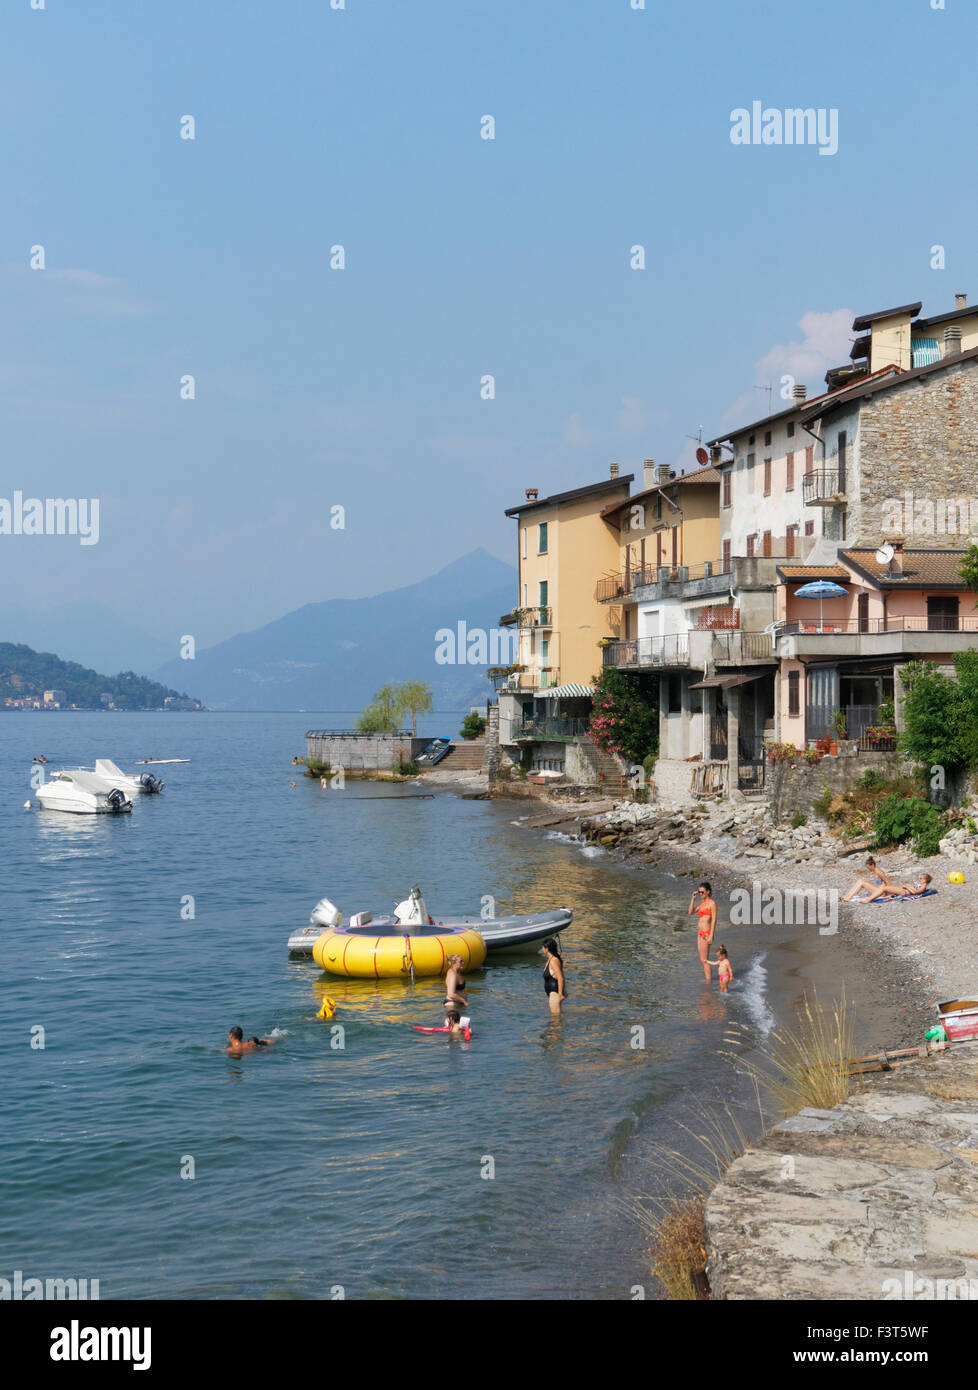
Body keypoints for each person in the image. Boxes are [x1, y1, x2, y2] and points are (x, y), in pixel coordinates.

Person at [689, 882, 717, 982]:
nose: (700, 894)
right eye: (699, 892)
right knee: (702, 960)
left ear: (708, 891)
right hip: (699, 933)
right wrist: (693, 898)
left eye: (702, 892)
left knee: (705, 960)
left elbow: (714, 920)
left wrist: (711, 935)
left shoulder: (712, 903)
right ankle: (708, 979)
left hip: (706, 933)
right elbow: (690, 912)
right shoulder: (702, 903)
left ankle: (709, 981)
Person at [862, 873, 933, 903]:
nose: (919, 879)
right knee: (884, 888)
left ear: (925, 880)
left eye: (921, 878)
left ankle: (869, 899)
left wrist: (906, 886)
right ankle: (875, 893)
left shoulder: (923, 887)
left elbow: (914, 892)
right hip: (903, 890)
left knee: (884, 888)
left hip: (904, 892)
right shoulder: (921, 886)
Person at [541, 938, 567, 1014]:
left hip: (555, 994)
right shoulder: (550, 960)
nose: (542, 949)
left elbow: (560, 978)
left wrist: (560, 994)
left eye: (542, 947)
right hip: (552, 994)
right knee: (556, 1020)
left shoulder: (554, 960)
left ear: (546, 949)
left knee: (556, 1021)